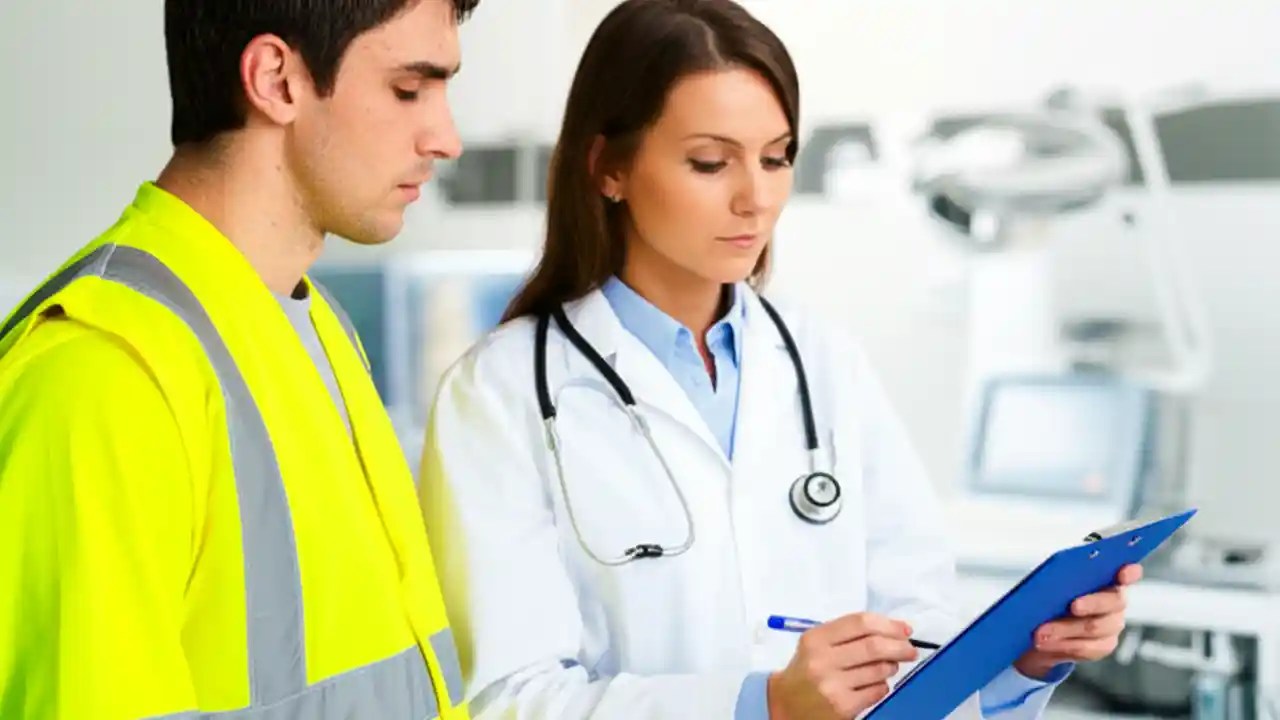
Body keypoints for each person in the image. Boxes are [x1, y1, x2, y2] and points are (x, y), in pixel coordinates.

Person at [418, 1, 1143, 719]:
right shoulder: (503, 391)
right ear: (609, 167)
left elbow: (914, 629)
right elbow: (509, 700)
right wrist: (760, 704)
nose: (756, 200)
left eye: (777, 158)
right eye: (710, 162)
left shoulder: (823, 361)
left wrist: (1022, 661)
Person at [0, 1, 480, 718]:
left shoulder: (316, 326)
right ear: (275, 80)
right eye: (408, 89)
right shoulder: (101, 373)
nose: (447, 138)